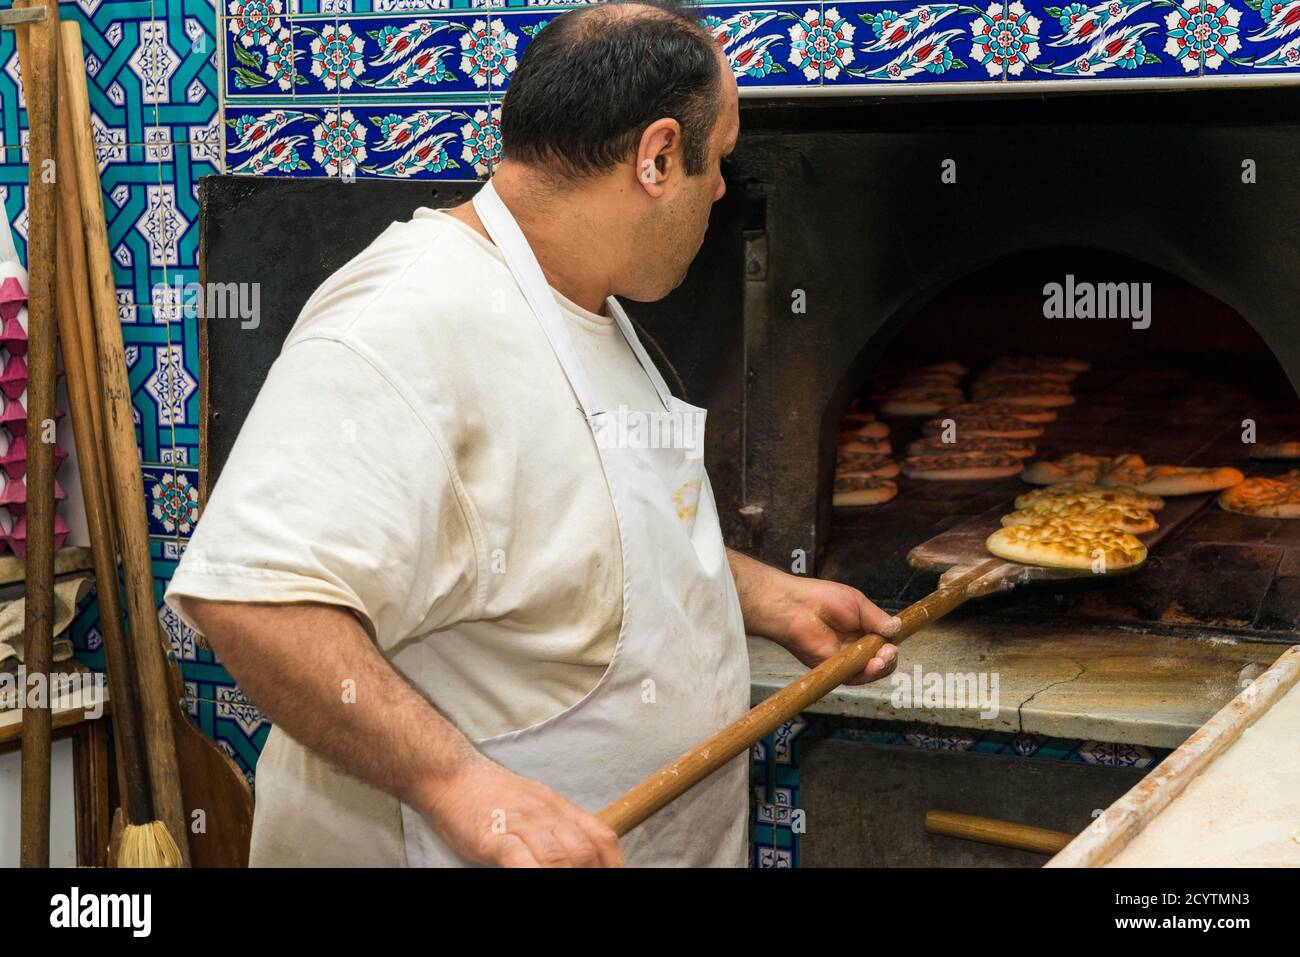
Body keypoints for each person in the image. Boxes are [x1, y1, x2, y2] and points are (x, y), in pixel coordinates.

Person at [165, 0, 898, 868]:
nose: (721, 190)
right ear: (659, 157)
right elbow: (250, 595)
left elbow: (565, 538)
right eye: (721, 161)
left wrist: (760, 596)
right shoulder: (407, 316)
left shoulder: (584, 301)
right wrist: (459, 784)